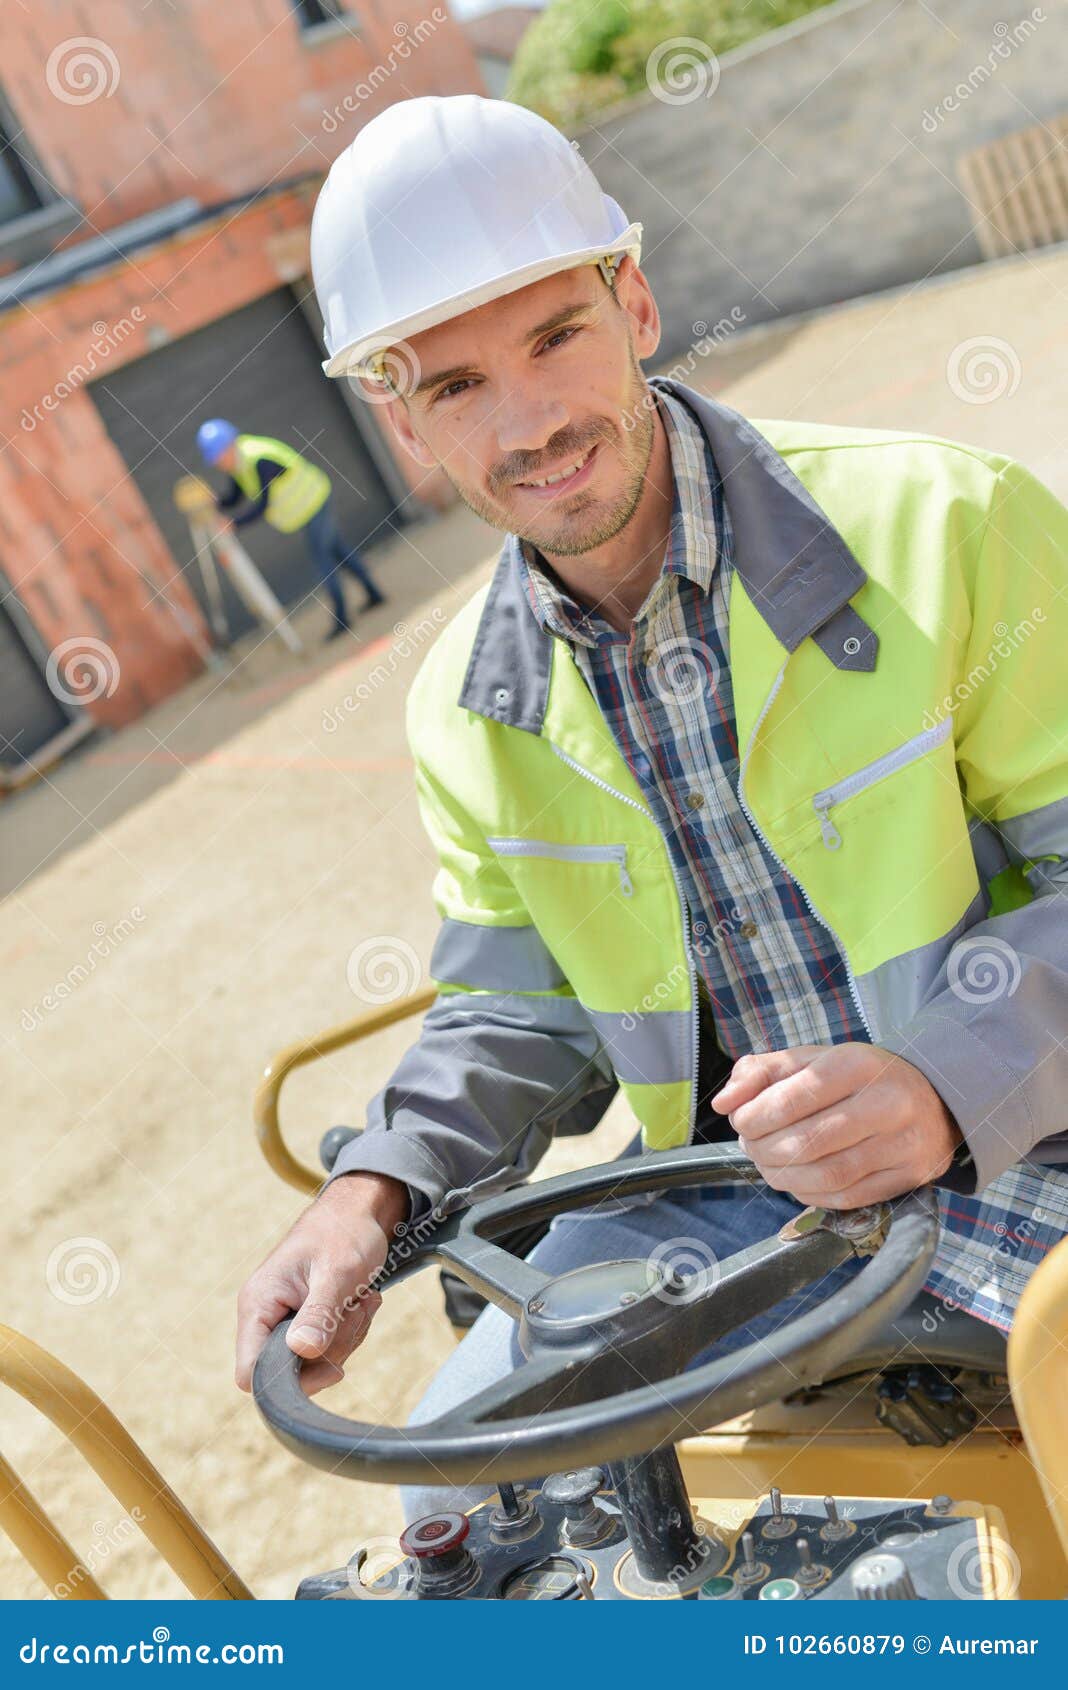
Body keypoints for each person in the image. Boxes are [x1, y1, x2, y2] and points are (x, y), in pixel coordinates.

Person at [235, 96, 1068, 1523]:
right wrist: (371, 1191)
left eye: (556, 336)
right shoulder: (464, 709)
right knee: (452, 1516)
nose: (532, 424)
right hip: (728, 1199)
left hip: (1030, 1134)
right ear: (399, 417)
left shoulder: (951, 522)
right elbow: (515, 1011)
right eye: (456, 385)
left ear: (634, 302)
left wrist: (944, 1078)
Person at [195, 421, 385, 639]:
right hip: (305, 508)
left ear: (229, 446)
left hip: (314, 501)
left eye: (218, 457)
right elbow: (235, 497)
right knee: (339, 552)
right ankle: (374, 594)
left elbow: (264, 504)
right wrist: (214, 502)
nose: (218, 464)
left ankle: (342, 618)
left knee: (324, 562)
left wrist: (235, 524)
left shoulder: (259, 459)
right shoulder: (238, 464)